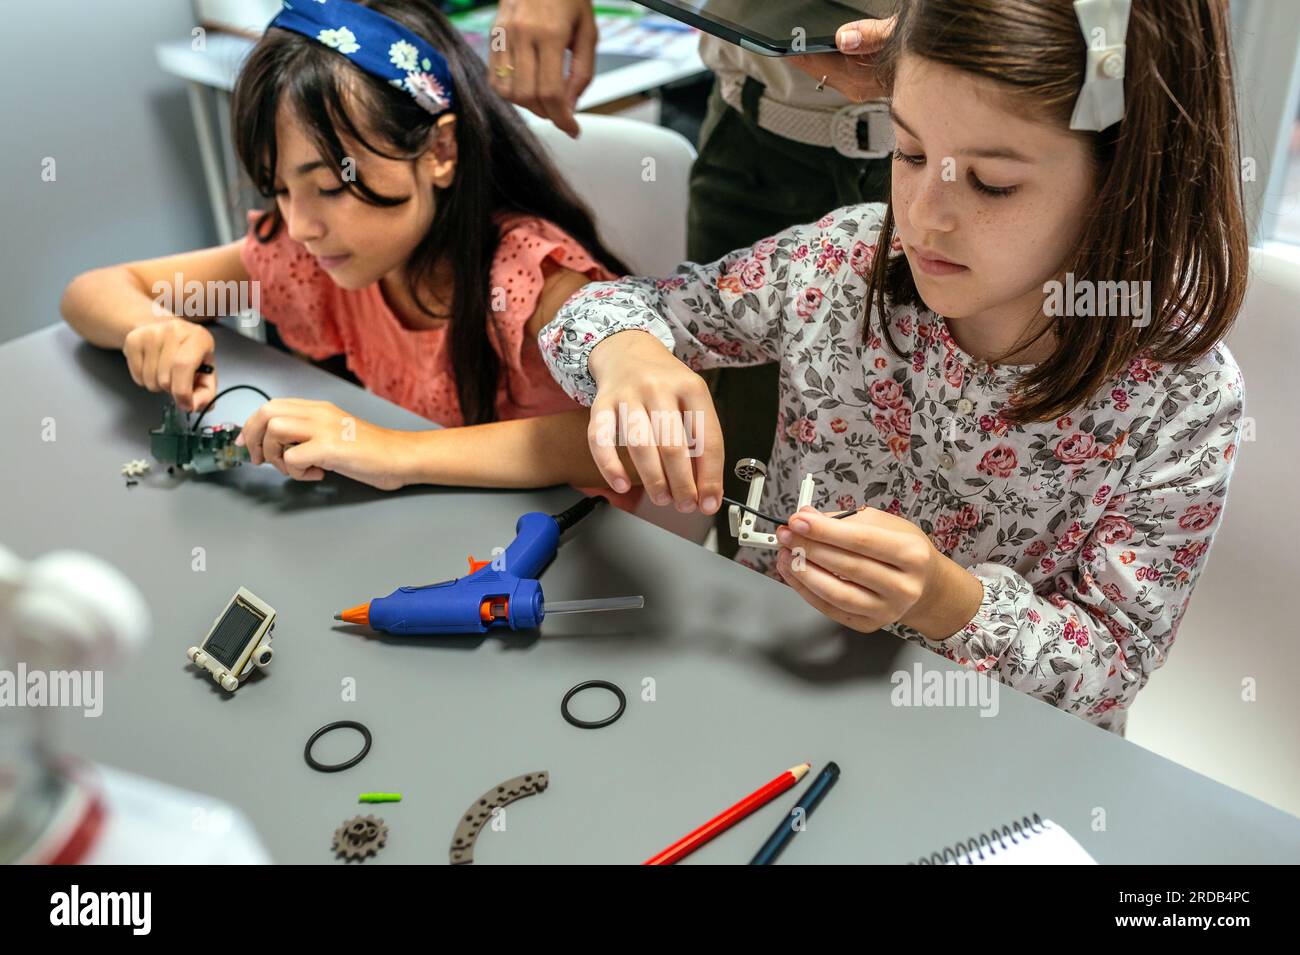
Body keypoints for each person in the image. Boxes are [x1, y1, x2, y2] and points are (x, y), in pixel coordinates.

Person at [539, 0, 1249, 733]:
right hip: (774, 693)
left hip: (999, 744)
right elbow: (600, 313)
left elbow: (1110, 668)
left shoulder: (1182, 395)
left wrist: (945, 598)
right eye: (909, 154)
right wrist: (627, 353)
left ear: (1122, 179)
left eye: (991, 182)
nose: (925, 214)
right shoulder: (842, 263)